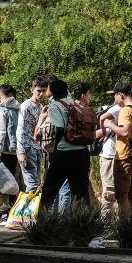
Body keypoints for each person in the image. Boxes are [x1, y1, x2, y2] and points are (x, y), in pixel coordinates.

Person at [39, 78, 91, 210]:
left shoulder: (55, 105)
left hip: (64, 152)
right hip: (82, 152)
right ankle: (85, 219)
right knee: (81, 192)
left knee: (49, 189)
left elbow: (59, 129)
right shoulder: (74, 104)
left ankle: (44, 220)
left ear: (52, 92)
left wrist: (55, 151)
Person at [94, 83, 128, 219]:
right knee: (116, 193)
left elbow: (102, 118)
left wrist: (103, 131)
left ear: (120, 95)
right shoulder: (124, 108)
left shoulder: (119, 109)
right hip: (115, 154)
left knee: (110, 193)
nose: (113, 97)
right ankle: (114, 223)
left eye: (114, 94)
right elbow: (103, 119)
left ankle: (107, 223)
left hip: (111, 154)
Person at [0, 85, 22, 192]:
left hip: (2, 151)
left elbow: (0, 132)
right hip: (13, 150)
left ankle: (1, 203)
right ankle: (11, 202)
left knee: (1, 183)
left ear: (0, 95)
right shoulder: (18, 109)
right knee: (11, 181)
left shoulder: (0, 110)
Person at [15, 77, 48, 192]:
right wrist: (21, 151)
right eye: (39, 91)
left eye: (44, 91)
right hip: (27, 147)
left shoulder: (41, 107)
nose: (41, 94)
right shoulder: (26, 106)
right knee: (32, 184)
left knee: (37, 184)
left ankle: (34, 204)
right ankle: (29, 204)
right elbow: (20, 129)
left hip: (37, 148)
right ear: (32, 90)